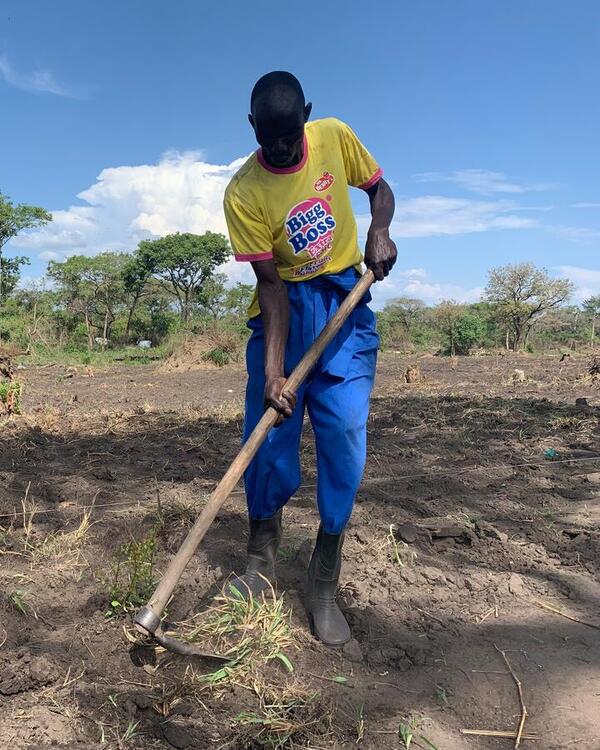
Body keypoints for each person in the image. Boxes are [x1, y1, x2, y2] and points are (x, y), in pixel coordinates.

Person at [221, 71, 397, 648]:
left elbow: (379, 188)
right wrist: (273, 372)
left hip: (345, 303)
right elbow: (270, 287)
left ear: (307, 117)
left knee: (344, 432)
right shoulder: (243, 192)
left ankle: (324, 574)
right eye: (267, 136)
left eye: (287, 134)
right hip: (284, 313)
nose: (278, 146)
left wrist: (380, 230)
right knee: (269, 432)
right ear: (252, 128)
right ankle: (261, 551)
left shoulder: (332, 136)